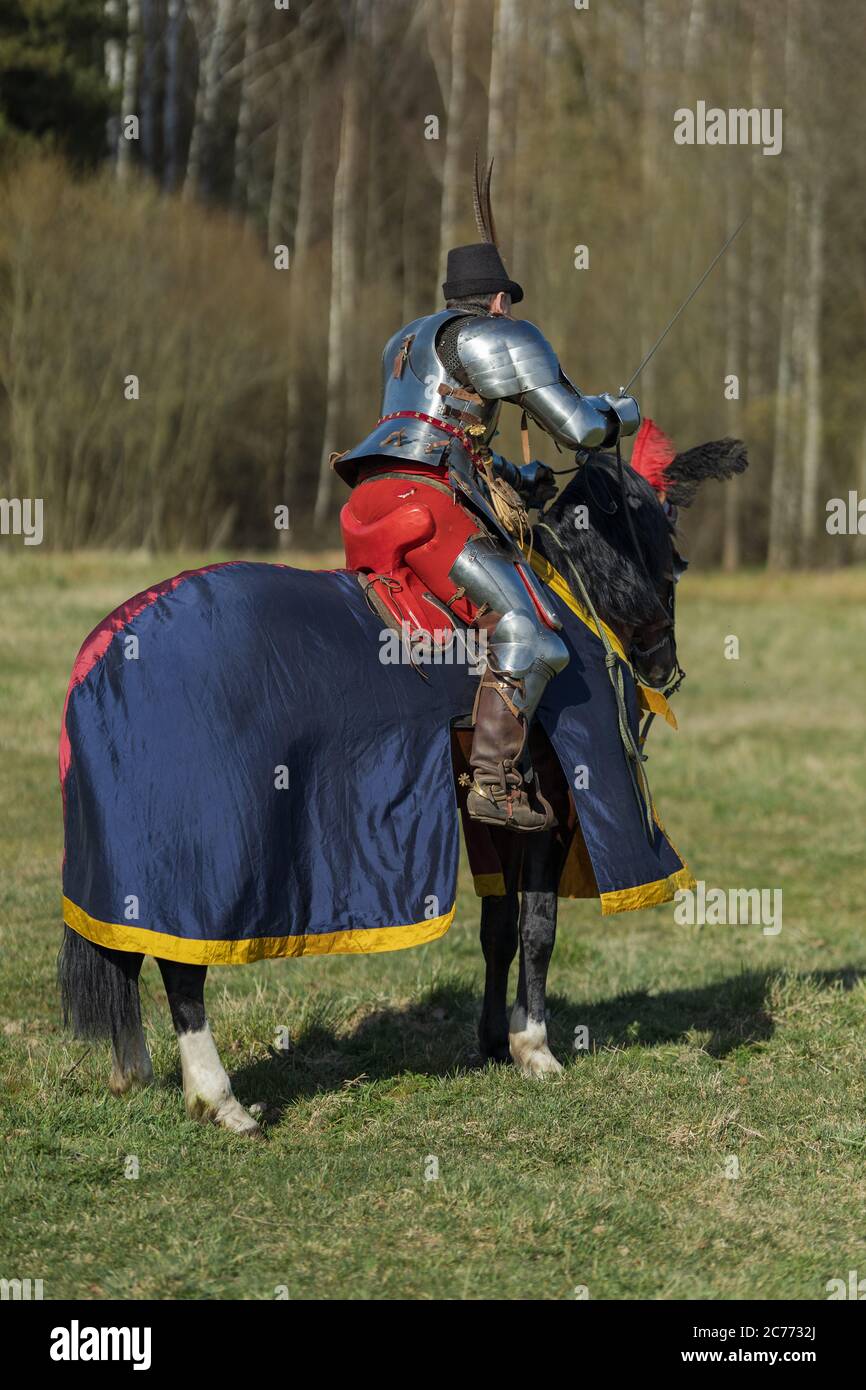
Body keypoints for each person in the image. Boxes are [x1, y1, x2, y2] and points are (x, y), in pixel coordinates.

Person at [335, 161, 639, 831]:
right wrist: (624, 413)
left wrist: (507, 476)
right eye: (509, 301)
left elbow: (437, 431)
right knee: (534, 634)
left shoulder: (408, 339)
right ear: (499, 302)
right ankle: (496, 782)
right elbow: (580, 427)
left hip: (373, 497)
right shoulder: (504, 335)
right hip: (427, 504)